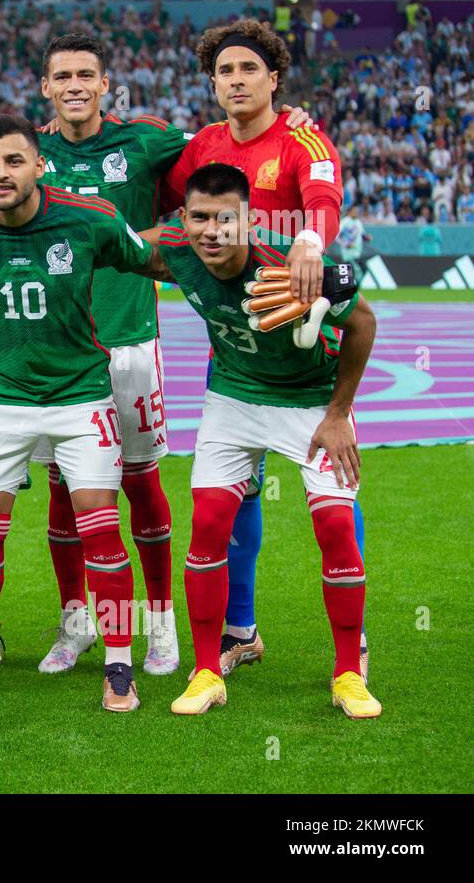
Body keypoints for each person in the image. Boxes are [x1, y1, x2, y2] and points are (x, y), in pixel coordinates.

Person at [0, 115, 151, 712]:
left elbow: (153, 258)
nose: (2, 173)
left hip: (81, 398)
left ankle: (120, 664)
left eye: (14, 161)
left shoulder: (90, 218)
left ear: (39, 164)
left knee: (102, 531)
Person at [163, 18, 366, 678]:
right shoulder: (202, 148)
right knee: (237, 496)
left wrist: (310, 242)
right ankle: (240, 628)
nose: (237, 80)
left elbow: (324, 197)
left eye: (249, 69)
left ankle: (350, 644)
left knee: (330, 494)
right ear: (213, 83)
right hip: (241, 356)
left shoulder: (303, 136)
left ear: (273, 79)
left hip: (307, 349)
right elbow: (171, 206)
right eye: (225, 71)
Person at [143, 164, 380, 719]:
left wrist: (339, 413)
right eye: (199, 217)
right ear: (183, 218)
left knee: (336, 525)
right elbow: (111, 244)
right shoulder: (176, 249)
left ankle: (349, 673)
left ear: (252, 219)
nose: (212, 231)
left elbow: (362, 322)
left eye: (227, 219)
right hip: (232, 400)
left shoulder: (291, 266)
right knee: (207, 523)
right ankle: (206, 671)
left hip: (310, 404)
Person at [32, 33, 189, 676]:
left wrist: (132, 237)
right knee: (63, 489)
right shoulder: (27, 151)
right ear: (46, 87)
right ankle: (77, 624)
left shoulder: (148, 142)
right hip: (55, 348)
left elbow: (207, 194)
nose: (74, 85)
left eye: (85, 75)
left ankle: (159, 622)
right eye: (61, 75)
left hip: (128, 340)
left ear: (105, 84)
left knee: (139, 481)